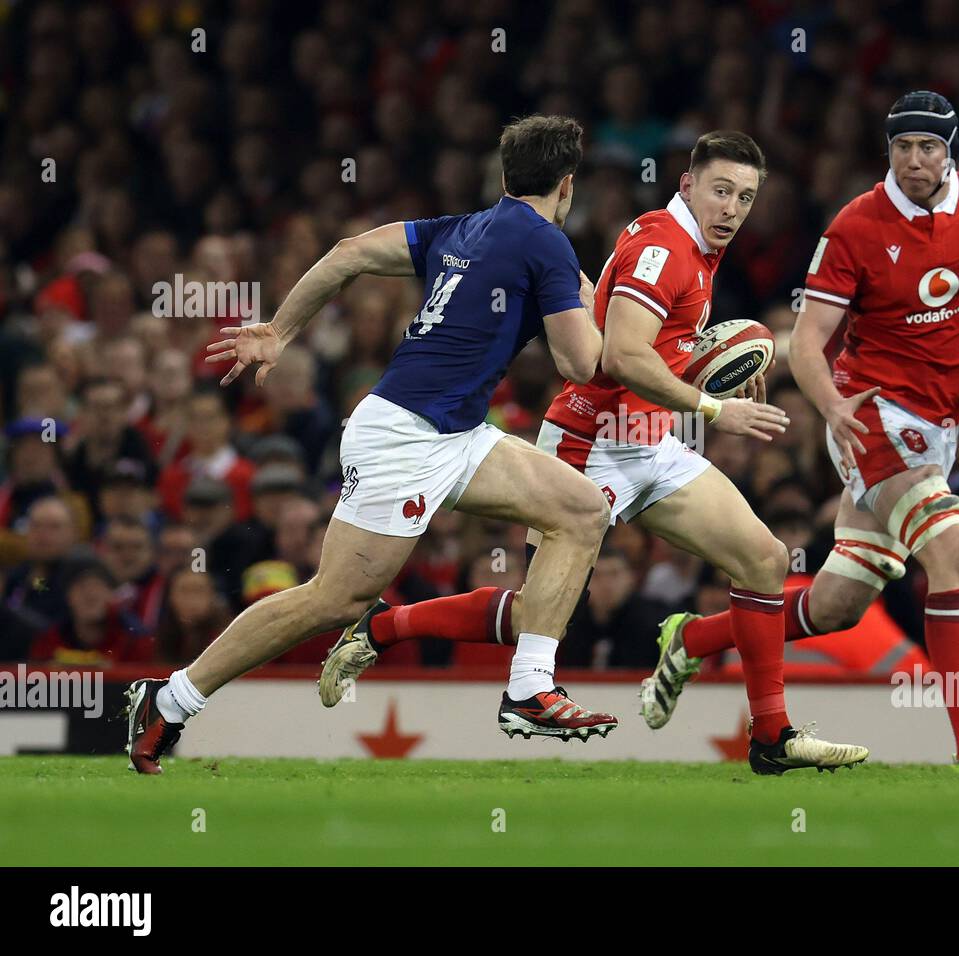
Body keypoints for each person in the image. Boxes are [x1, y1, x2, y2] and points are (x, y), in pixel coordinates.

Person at [319, 131, 872, 775]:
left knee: (764, 559)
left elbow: (644, 343)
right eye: (721, 190)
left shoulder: (693, 246)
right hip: (591, 444)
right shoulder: (665, 247)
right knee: (539, 616)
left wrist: (702, 362)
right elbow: (621, 355)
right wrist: (715, 406)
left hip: (651, 441)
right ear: (688, 184)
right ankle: (381, 629)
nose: (732, 209)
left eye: (745, 198)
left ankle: (769, 735)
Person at [125, 115, 615, 773]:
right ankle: (172, 698)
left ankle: (529, 687)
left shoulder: (462, 228)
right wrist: (585, 306)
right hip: (404, 436)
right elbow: (582, 364)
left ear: (504, 177)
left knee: (581, 511)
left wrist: (280, 329)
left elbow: (349, 251)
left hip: (455, 432)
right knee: (337, 599)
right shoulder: (549, 245)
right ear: (568, 185)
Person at [644, 93, 959, 770]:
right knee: (954, 550)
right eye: (901, 147)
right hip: (869, 413)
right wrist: (834, 408)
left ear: (950, 148)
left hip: (937, 428)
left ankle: (693, 639)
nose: (913, 160)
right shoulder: (857, 224)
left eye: (927, 147)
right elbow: (809, 344)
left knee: (837, 604)